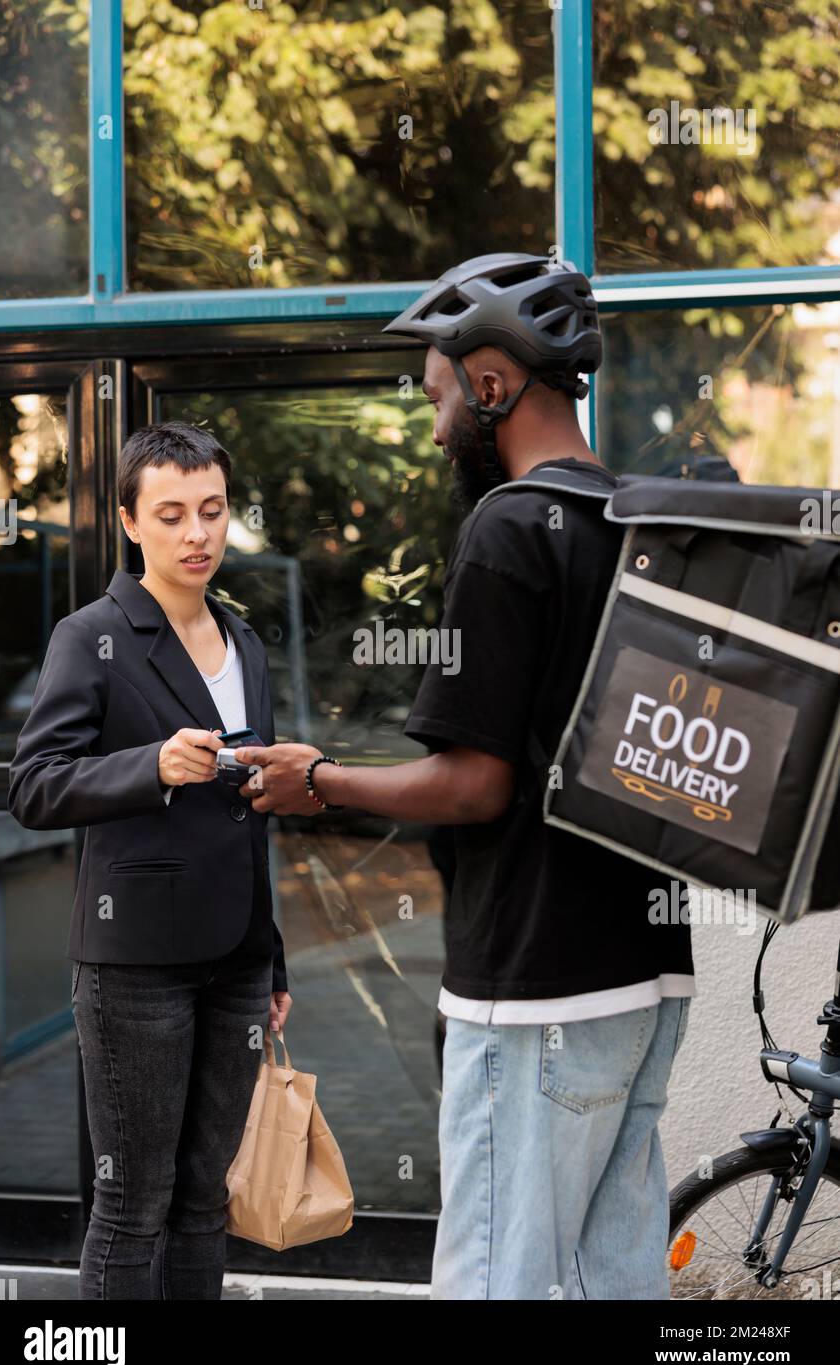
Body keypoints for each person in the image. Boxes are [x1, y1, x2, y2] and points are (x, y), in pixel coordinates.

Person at [233, 253, 695, 1300]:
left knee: (499, 1281)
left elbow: (473, 784)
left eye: (443, 397)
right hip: (646, 975)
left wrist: (323, 779)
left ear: (492, 386)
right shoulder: (632, 520)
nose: (438, 423)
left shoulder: (503, 529)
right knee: (611, 1277)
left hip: (533, 989)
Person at [7, 421, 291, 1300]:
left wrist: (271, 954)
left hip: (238, 959)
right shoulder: (91, 634)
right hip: (134, 964)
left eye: (211, 511)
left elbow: (252, 817)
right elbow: (35, 786)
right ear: (131, 522)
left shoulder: (244, 643)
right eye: (171, 515)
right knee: (133, 1201)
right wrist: (151, 767)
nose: (197, 533)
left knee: (205, 1198)